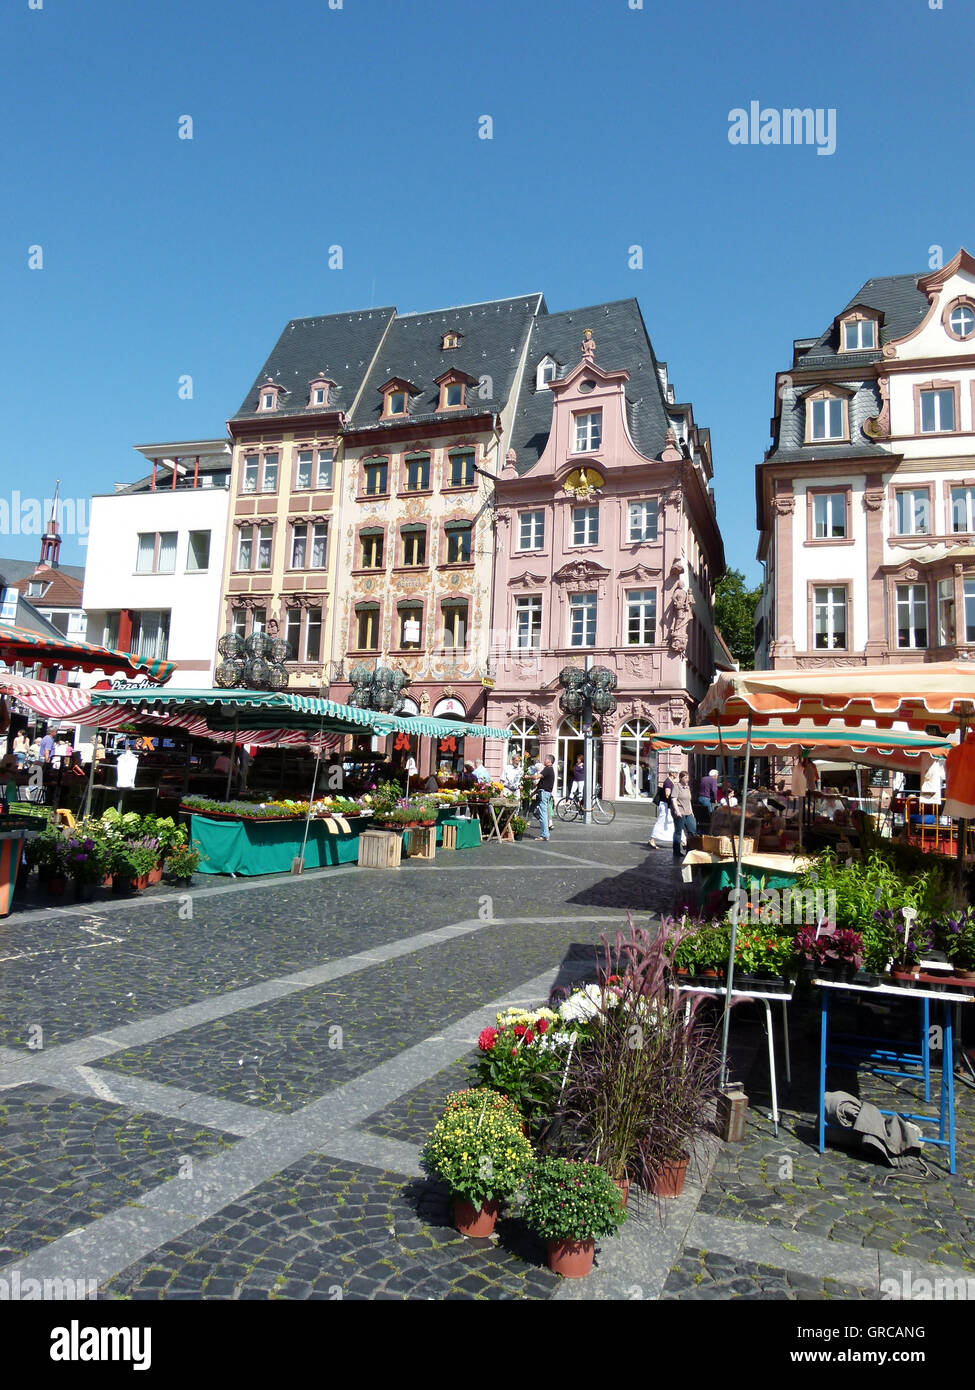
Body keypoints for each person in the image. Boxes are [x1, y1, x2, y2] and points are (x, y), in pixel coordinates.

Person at [672, 770, 697, 859]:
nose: (687, 779)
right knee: (678, 831)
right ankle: (676, 851)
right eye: (685, 777)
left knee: (692, 830)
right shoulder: (676, 786)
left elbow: (688, 801)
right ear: (680, 778)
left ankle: (690, 850)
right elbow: (674, 799)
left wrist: (692, 812)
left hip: (688, 812)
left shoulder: (687, 787)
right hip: (680, 812)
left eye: (687, 777)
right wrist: (677, 811)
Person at [649, 779, 675, 848]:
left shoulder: (671, 781)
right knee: (661, 822)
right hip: (665, 805)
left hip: (668, 805)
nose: (677, 774)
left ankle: (683, 840)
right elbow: (667, 794)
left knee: (672, 822)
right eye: (676, 772)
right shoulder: (668, 782)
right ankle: (652, 839)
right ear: (672, 773)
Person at [535, 754, 555, 840]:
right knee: (537, 812)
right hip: (543, 793)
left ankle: (545, 835)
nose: (544, 760)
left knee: (543, 814)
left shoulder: (548, 769)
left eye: (546, 759)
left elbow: (537, 777)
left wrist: (528, 777)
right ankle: (545, 832)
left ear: (549, 761)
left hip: (544, 793)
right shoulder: (549, 770)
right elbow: (541, 783)